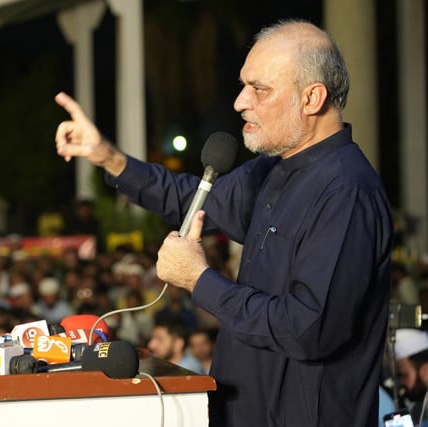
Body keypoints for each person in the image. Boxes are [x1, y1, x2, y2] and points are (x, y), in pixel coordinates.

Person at [54, 19, 394, 426]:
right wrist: (107, 157)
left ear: (312, 98)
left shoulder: (346, 192)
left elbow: (306, 329)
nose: (239, 102)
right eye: (244, 85)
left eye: (260, 89)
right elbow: (192, 200)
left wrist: (200, 280)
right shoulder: (271, 170)